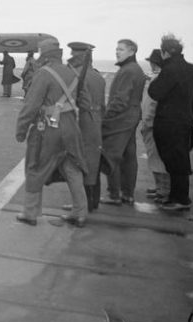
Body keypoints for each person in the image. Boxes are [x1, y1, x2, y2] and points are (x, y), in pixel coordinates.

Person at [15, 38, 88, 227]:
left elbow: (31, 105)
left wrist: (21, 130)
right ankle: (80, 212)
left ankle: (30, 213)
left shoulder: (43, 73)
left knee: (34, 167)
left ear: (44, 55)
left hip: (48, 129)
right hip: (71, 126)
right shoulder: (71, 72)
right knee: (72, 168)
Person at [148, 34, 193, 211]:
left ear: (164, 53)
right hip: (185, 120)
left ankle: (180, 199)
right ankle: (177, 196)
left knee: (173, 162)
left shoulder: (169, 69)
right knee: (181, 160)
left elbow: (155, 92)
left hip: (168, 122)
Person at [100, 39, 146, 206]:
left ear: (132, 51)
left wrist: (105, 118)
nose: (117, 52)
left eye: (121, 49)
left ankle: (114, 195)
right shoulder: (135, 69)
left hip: (121, 119)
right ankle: (128, 194)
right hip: (131, 118)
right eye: (116, 49)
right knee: (129, 157)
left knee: (111, 155)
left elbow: (120, 100)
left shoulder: (128, 70)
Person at [67, 42, 106, 212]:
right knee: (93, 162)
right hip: (96, 122)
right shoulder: (97, 75)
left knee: (78, 162)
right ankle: (93, 201)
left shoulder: (76, 75)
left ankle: (83, 204)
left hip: (82, 121)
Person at [141, 49, 170, 202]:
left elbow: (152, 105)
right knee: (155, 158)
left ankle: (163, 190)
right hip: (152, 123)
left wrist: (146, 122)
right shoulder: (158, 78)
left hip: (152, 124)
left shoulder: (158, 79)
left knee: (157, 159)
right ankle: (160, 188)